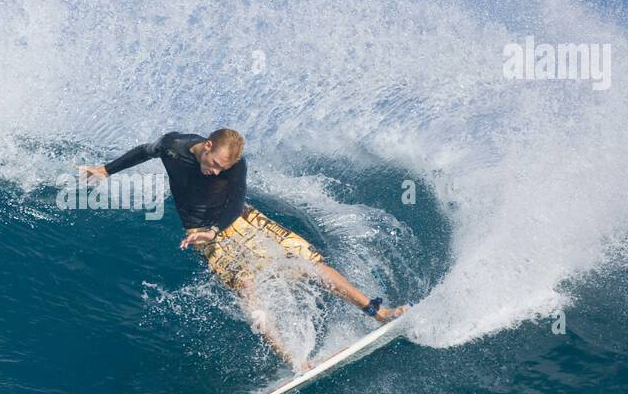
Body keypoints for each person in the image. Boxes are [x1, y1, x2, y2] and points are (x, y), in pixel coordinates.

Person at [78, 129, 406, 369]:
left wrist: (214, 229)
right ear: (206, 146)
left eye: (223, 168)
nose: (216, 171)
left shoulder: (235, 165)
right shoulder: (173, 147)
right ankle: (293, 360)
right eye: (214, 163)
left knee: (311, 264)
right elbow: (145, 150)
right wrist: (106, 170)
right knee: (248, 288)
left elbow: (234, 202)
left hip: (241, 220)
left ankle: (378, 312)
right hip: (203, 234)